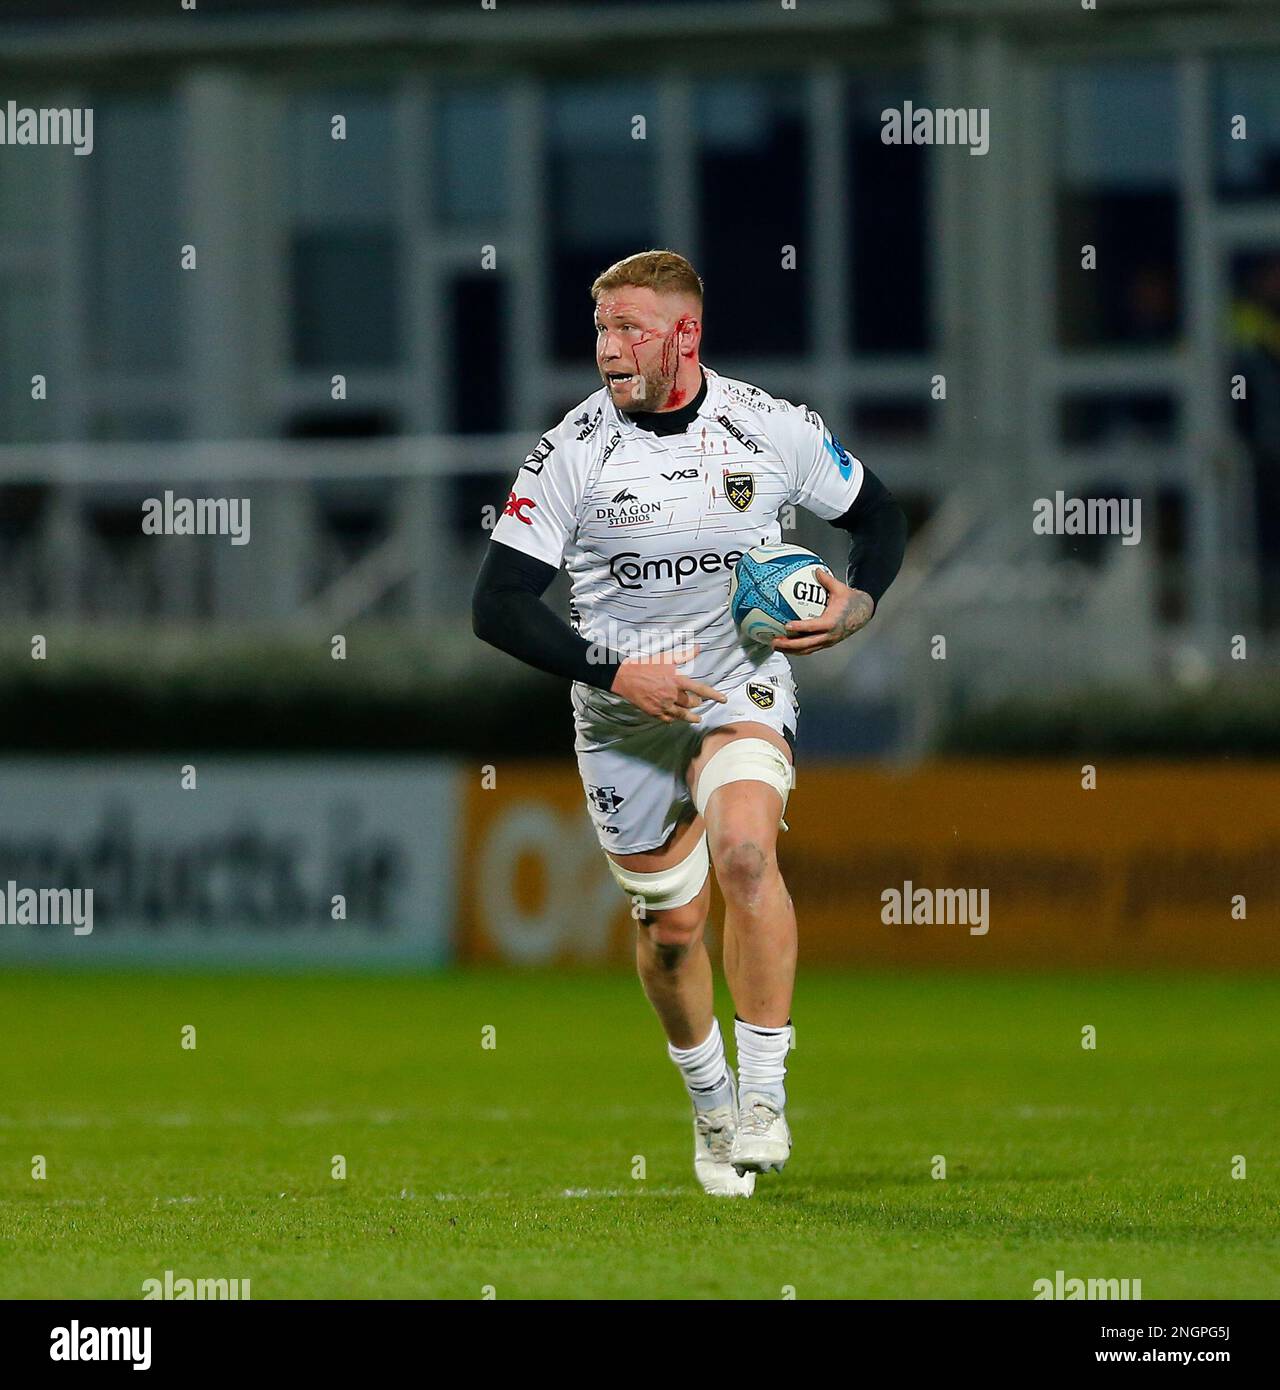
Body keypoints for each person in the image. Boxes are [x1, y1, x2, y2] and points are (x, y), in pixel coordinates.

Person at [472, 250, 907, 1196]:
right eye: (599, 329)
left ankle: (762, 1100)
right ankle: (710, 1106)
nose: (607, 348)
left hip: (736, 683)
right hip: (620, 712)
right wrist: (616, 669)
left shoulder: (771, 428)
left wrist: (858, 602)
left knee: (747, 854)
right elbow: (498, 605)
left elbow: (880, 516)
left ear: (685, 334)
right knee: (671, 931)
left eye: (628, 327)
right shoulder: (570, 452)